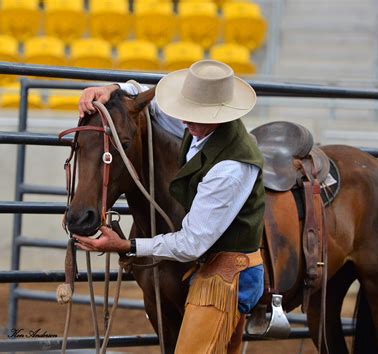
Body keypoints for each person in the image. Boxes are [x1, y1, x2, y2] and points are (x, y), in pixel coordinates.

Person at [74, 60, 265, 353]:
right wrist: (112, 89)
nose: (184, 121)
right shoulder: (199, 122)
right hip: (206, 267)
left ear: (219, 115)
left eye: (193, 115)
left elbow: (191, 243)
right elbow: (144, 102)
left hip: (226, 275)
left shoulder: (231, 167)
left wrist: (126, 246)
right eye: (184, 111)